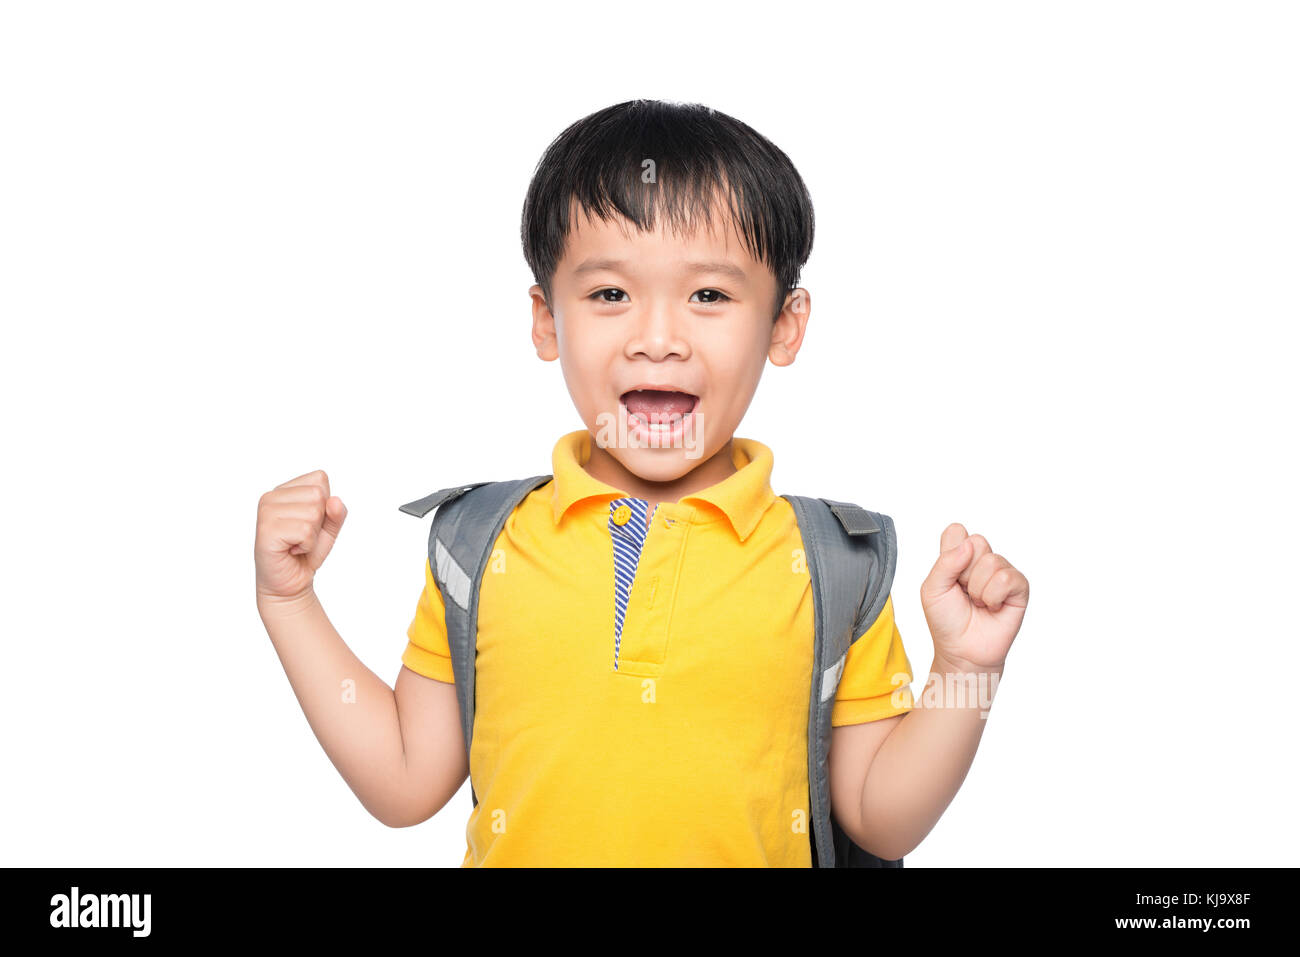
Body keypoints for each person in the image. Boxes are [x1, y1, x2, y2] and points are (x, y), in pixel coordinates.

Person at [254, 99, 1031, 866]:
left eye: (709, 296)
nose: (657, 339)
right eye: (610, 294)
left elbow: (881, 820)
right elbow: (402, 782)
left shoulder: (833, 561)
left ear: (784, 327)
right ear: (547, 321)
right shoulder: (480, 541)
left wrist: (966, 672)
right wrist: (289, 602)